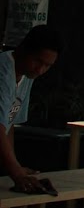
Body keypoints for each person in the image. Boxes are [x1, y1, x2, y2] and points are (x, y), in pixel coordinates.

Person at [0, 25, 61, 193]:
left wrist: (13, 167)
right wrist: (16, 173)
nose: (40, 70)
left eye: (47, 66)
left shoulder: (27, 75)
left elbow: (9, 123)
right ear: (24, 49)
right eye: (38, 61)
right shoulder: (3, 73)